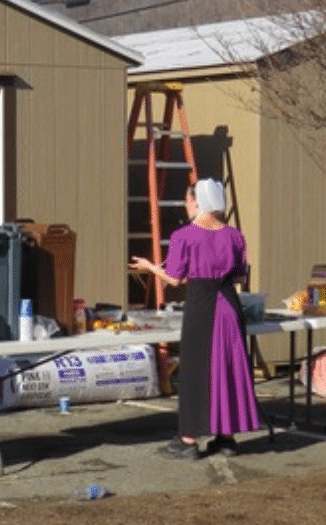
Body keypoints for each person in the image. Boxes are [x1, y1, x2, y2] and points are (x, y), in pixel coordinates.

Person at [128, 180, 262, 459]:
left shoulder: (184, 236)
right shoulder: (235, 235)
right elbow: (238, 275)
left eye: (188, 200)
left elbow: (175, 278)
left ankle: (188, 439)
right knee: (228, 369)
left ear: (198, 201)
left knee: (195, 370)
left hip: (202, 307)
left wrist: (151, 267)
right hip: (229, 305)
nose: (186, 205)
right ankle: (226, 438)